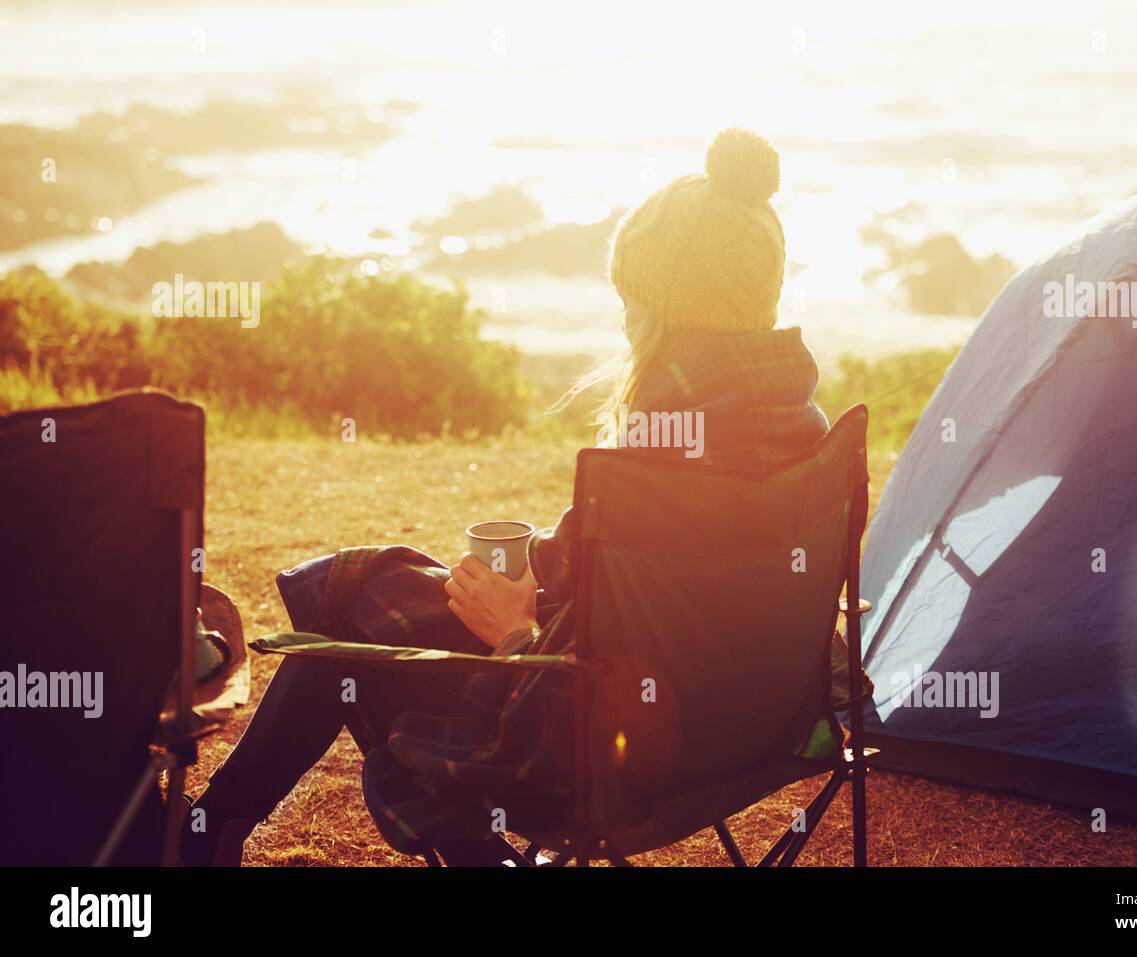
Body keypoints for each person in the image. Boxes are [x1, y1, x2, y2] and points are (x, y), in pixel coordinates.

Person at [184, 128, 836, 866]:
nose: (626, 321)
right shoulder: (806, 431)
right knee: (378, 594)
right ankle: (207, 832)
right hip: (745, 733)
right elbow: (658, 594)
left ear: (674, 315)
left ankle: (205, 835)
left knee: (352, 631)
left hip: (598, 746)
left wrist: (518, 635)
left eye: (635, 303)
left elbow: (604, 626)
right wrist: (541, 580)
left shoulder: (655, 464)